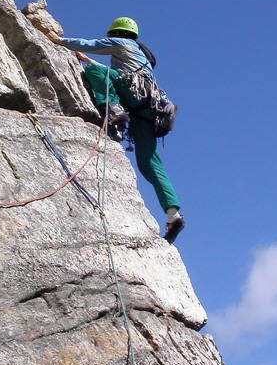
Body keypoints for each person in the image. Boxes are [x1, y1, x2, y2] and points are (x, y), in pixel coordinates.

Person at [46, 16, 185, 244]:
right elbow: (119, 74)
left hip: (133, 97)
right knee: (150, 164)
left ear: (116, 33)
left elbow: (92, 45)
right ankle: (173, 214)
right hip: (148, 111)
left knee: (94, 74)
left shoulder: (122, 44)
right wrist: (86, 59)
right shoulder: (140, 55)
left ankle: (114, 109)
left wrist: (58, 40)